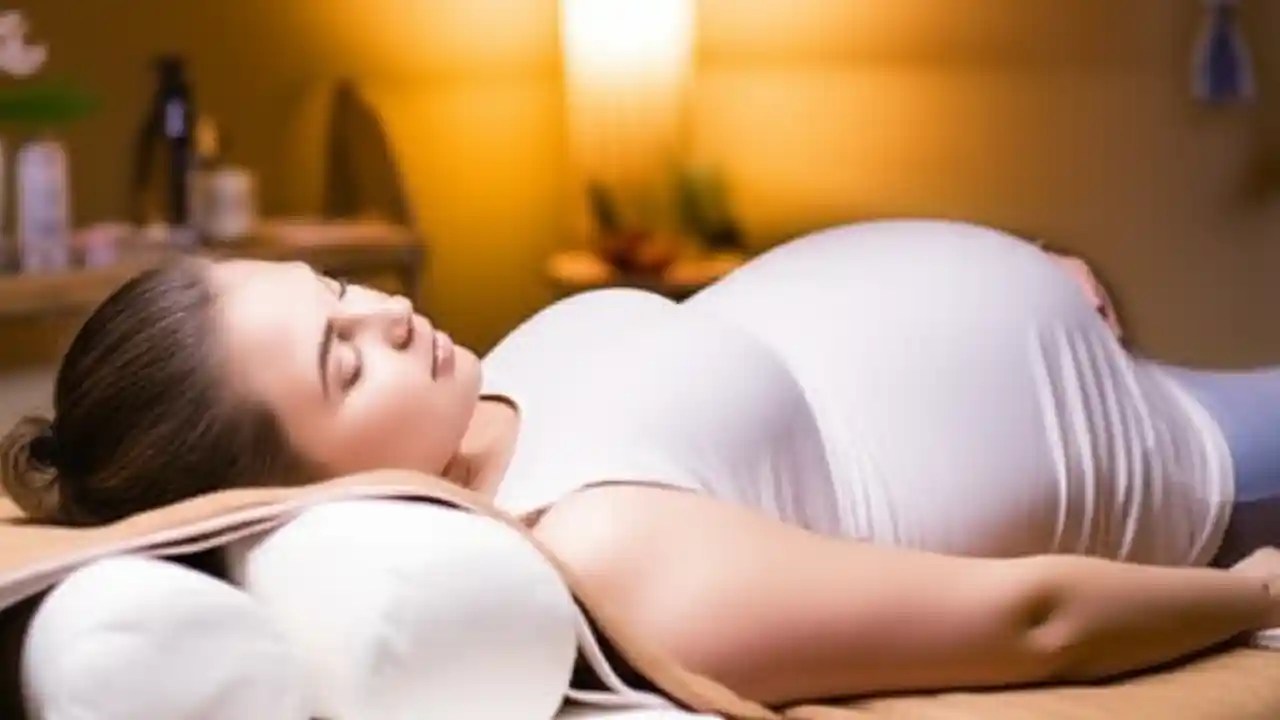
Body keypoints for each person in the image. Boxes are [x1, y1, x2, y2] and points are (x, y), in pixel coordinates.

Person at [1, 219, 1278, 705]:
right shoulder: (606, 545)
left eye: (338, 288)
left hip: (1107, 358)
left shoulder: (467, 408)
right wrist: (1258, 598)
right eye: (343, 362)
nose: (386, 316)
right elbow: (1030, 622)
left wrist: (1020, 270)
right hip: (1190, 467)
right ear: (309, 490)